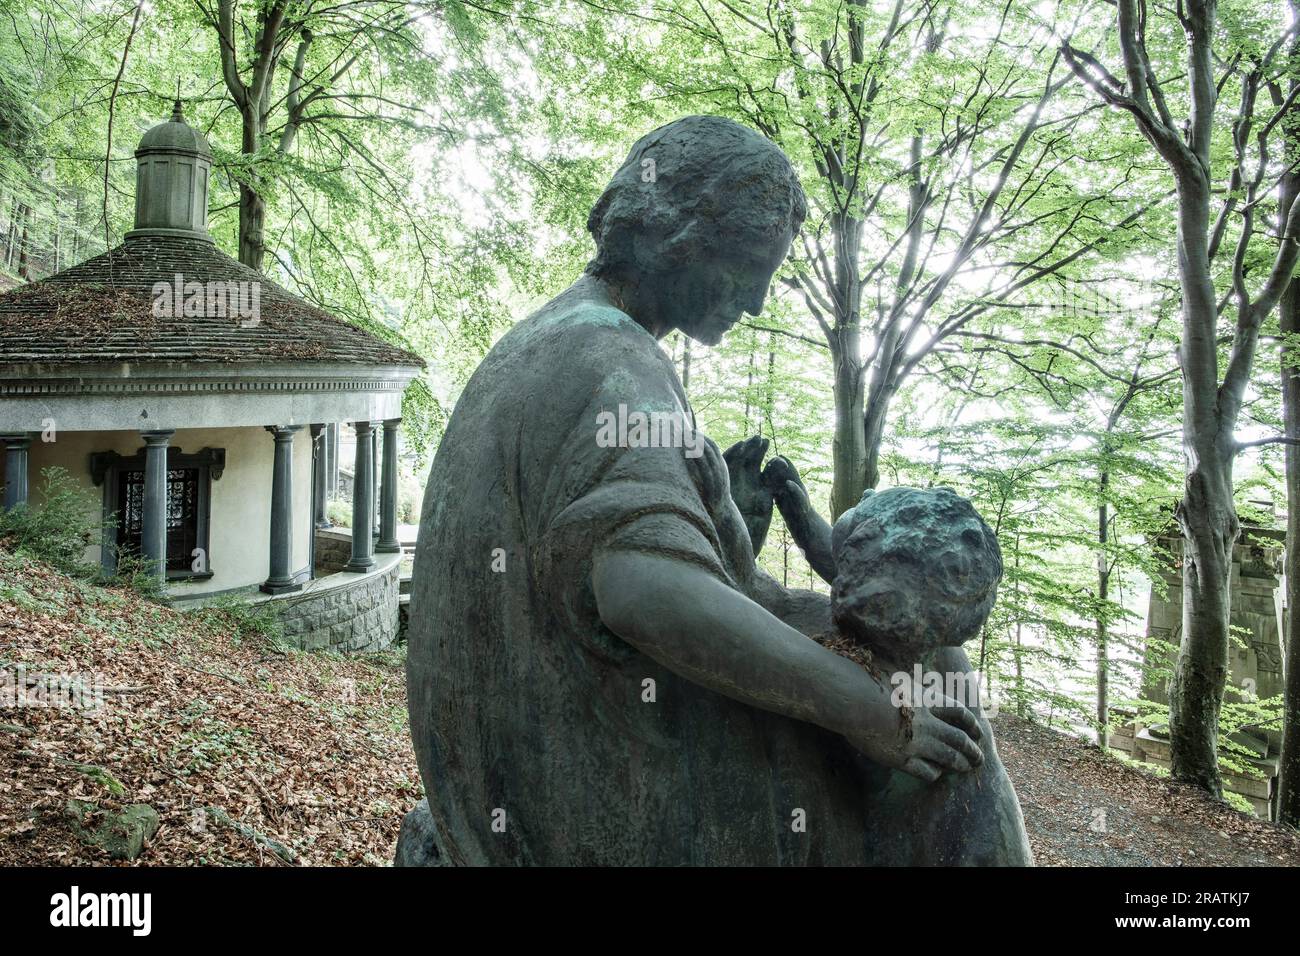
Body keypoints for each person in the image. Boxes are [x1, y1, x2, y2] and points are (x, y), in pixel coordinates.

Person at [403, 114, 1031, 865]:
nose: (759, 301)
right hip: (586, 787)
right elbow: (644, 590)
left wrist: (728, 532)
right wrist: (864, 710)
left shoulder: (558, 336)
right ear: (678, 234)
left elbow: (611, 562)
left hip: (530, 746)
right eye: (748, 266)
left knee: (926, 672)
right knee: (940, 712)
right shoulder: (610, 359)